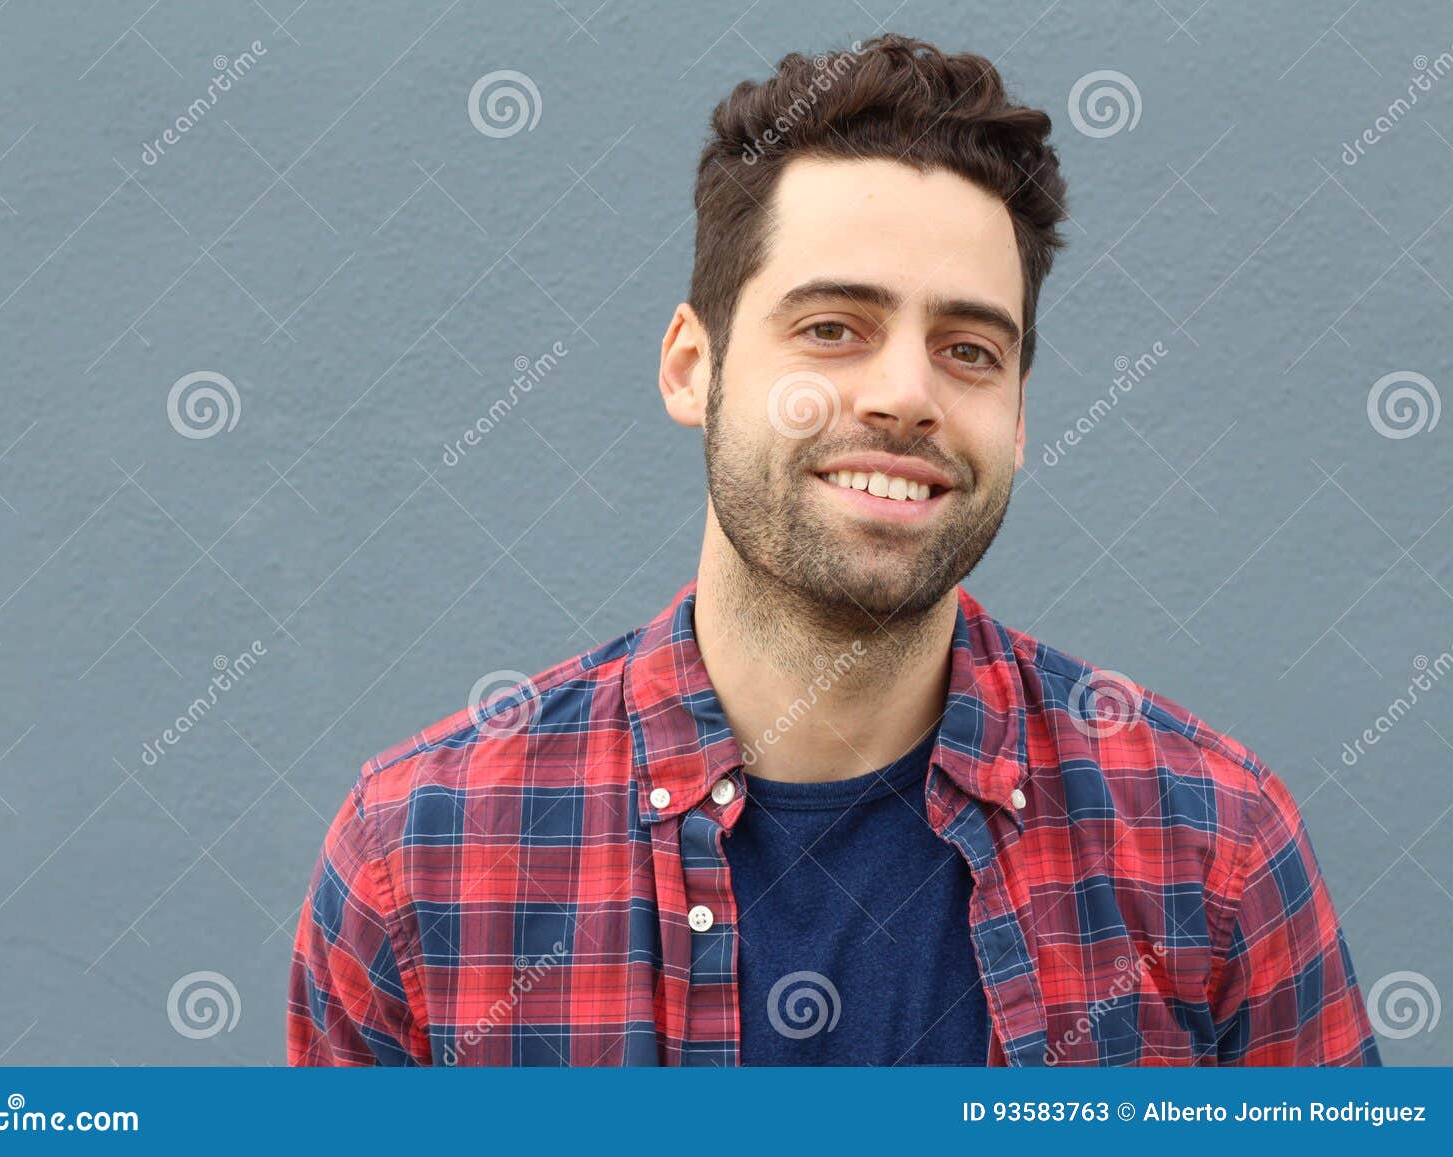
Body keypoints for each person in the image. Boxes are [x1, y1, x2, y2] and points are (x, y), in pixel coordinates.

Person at [288, 33, 1380, 1067]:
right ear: (688, 366)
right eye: (832, 328)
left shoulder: (1209, 847)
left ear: (1018, 417)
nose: (906, 394)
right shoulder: (424, 859)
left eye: (966, 349)